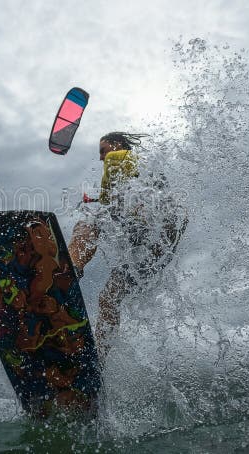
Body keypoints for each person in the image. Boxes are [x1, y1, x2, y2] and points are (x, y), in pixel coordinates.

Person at [68, 132, 186, 359]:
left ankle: (72, 267)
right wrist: (98, 200)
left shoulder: (121, 158)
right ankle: (100, 360)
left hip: (156, 238)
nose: (102, 158)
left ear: (117, 145)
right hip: (154, 250)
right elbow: (119, 195)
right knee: (109, 299)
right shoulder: (132, 171)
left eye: (102, 151)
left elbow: (130, 188)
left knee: (90, 220)